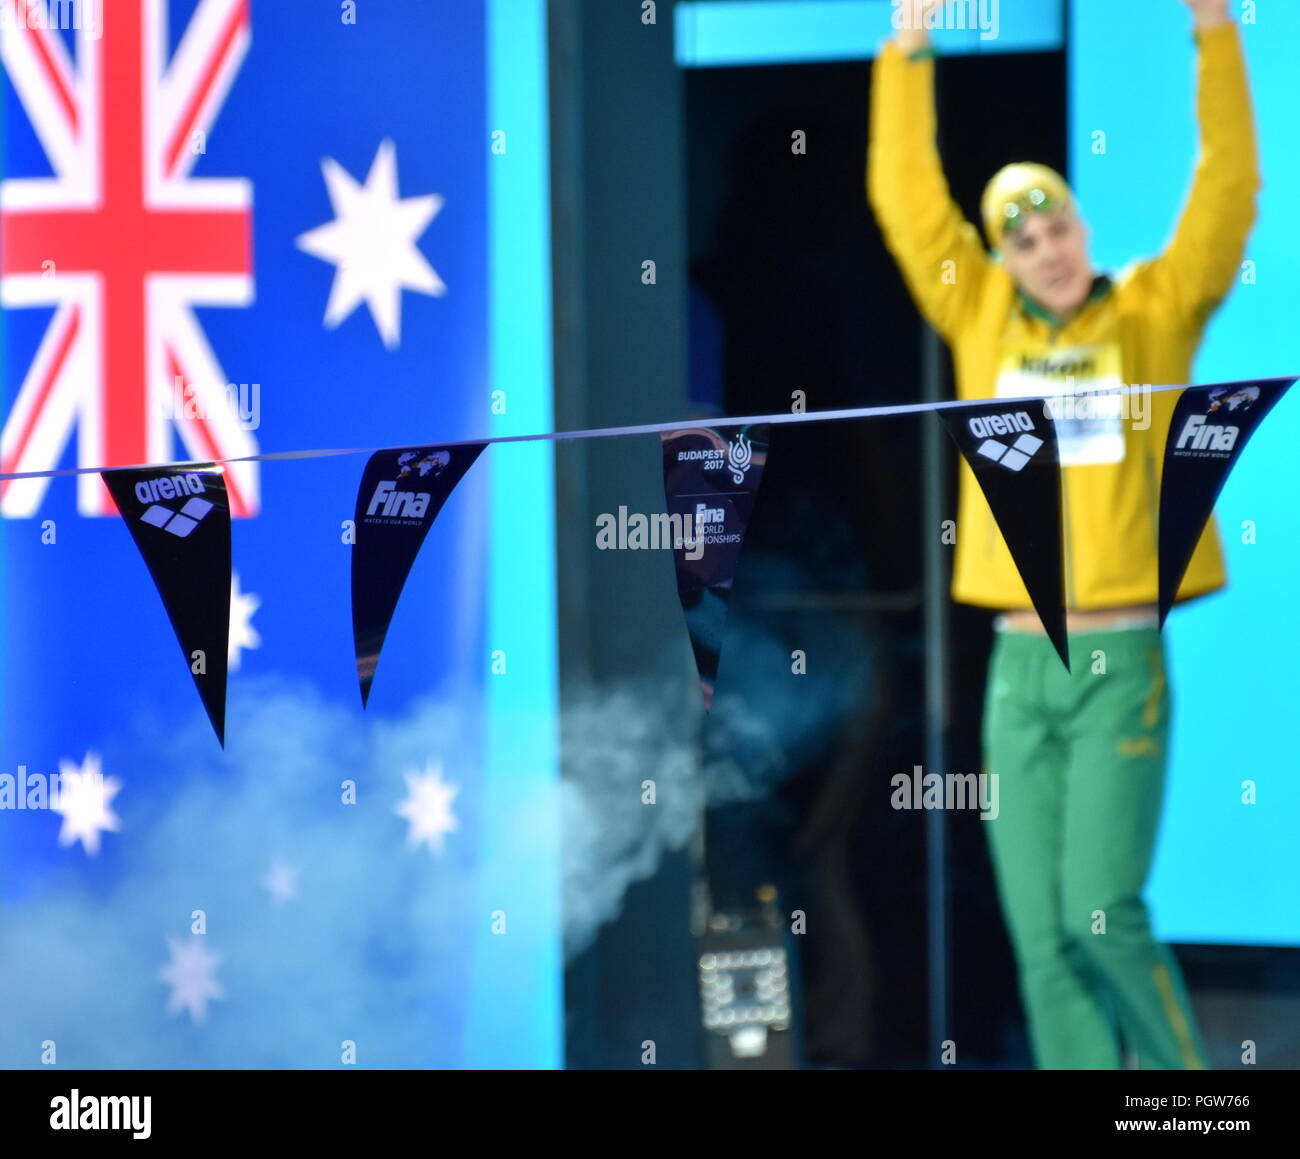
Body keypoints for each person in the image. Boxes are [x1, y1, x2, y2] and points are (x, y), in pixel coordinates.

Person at [867, 0, 1257, 1069]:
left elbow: (1227, 193)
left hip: (1116, 659)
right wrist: (906, 52)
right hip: (1014, 665)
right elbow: (907, 202)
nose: (1045, 250)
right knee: (1040, 938)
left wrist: (1214, 34)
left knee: (1099, 913)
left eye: (1058, 228)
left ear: (1085, 228)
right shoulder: (980, 320)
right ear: (1000, 256)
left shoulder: (1151, 312)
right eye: (1020, 237)